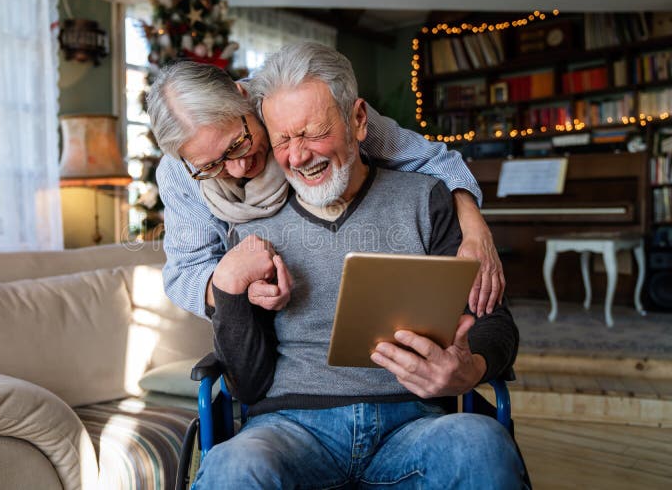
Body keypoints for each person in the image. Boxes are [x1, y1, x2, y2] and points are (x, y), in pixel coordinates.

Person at [191, 42, 524, 488]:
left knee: (481, 444)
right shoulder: (250, 226)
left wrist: (473, 369)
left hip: (414, 422)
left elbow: (494, 321)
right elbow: (247, 386)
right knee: (235, 467)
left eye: (312, 132)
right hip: (290, 430)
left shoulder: (426, 199)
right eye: (283, 140)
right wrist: (230, 291)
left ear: (358, 120)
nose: (298, 156)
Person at [147, 60, 505, 319]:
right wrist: (235, 288)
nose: (238, 168)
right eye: (211, 166)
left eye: (237, 144)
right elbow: (185, 273)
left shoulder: (299, 107)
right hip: (273, 329)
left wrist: (475, 229)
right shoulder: (180, 174)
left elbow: (432, 161)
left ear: (243, 97)